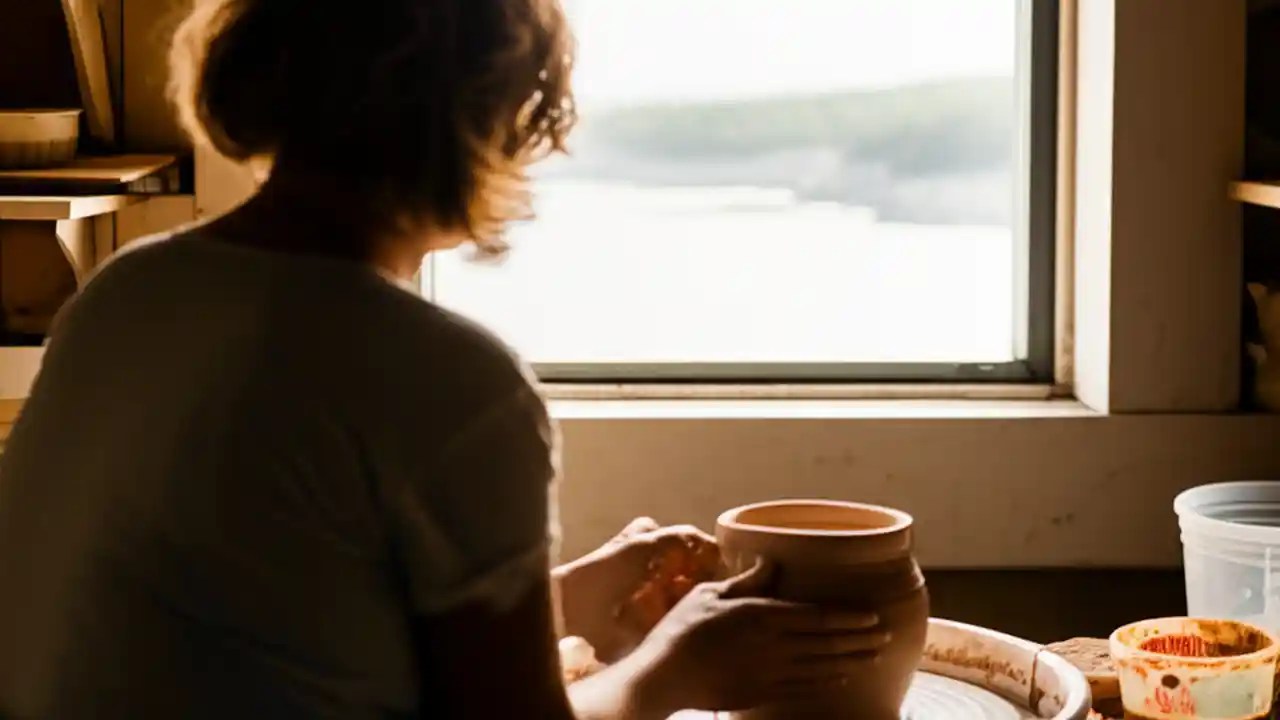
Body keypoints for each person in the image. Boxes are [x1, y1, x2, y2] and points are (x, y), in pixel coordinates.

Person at [0, 1, 888, 718]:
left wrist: (568, 600)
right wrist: (678, 672)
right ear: (494, 113)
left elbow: (263, 626)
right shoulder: (449, 383)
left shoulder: (126, 296)